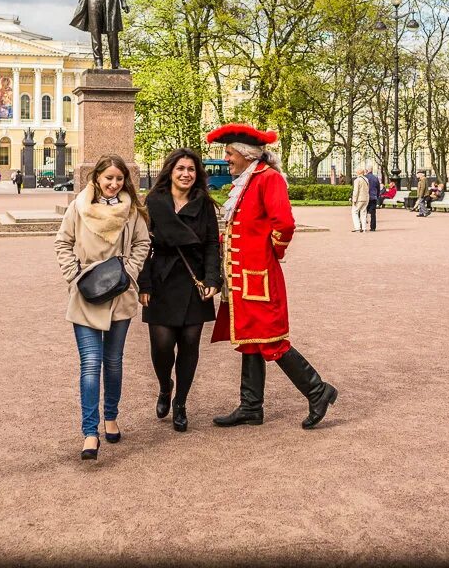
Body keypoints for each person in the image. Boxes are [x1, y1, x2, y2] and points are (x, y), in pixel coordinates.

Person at [207, 123, 339, 430]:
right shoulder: (249, 180)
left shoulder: (268, 178)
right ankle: (251, 407)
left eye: (229, 153)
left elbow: (285, 225)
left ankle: (318, 390)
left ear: (245, 153)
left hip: (260, 277)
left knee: (272, 341)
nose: (226, 158)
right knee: (251, 341)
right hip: (244, 278)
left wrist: (269, 253)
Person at [53, 155, 151, 460]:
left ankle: (111, 416)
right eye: (109, 178)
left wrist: (129, 272)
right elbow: (62, 242)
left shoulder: (131, 210)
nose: (114, 184)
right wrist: (74, 275)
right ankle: (90, 432)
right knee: (90, 363)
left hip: (119, 293)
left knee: (113, 362)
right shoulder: (78, 207)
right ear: (96, 177)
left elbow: (142, 243)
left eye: (119, 179)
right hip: (86, 294)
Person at [137, 149, 221, 433]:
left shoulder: (203, 203)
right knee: (161, 347)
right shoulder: (154, 201)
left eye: (191, 169)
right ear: (170, 172)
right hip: (161, 279)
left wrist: (213, 278)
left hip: (194, 280)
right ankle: (165, 386)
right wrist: (144, 283)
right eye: (181, 169)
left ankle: (181, 402)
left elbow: (212, 243)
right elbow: (142, 245)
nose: (186, 174)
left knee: (189, 344)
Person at [364, 167, 382, 232]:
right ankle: (373, 227)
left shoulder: (365, 178)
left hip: (366, 197)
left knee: (363, 212)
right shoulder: (375, 178)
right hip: (373, 197)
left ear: (367, 171)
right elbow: (378, 188)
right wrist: (377, 196)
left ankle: (363, 226)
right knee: (373, 213)